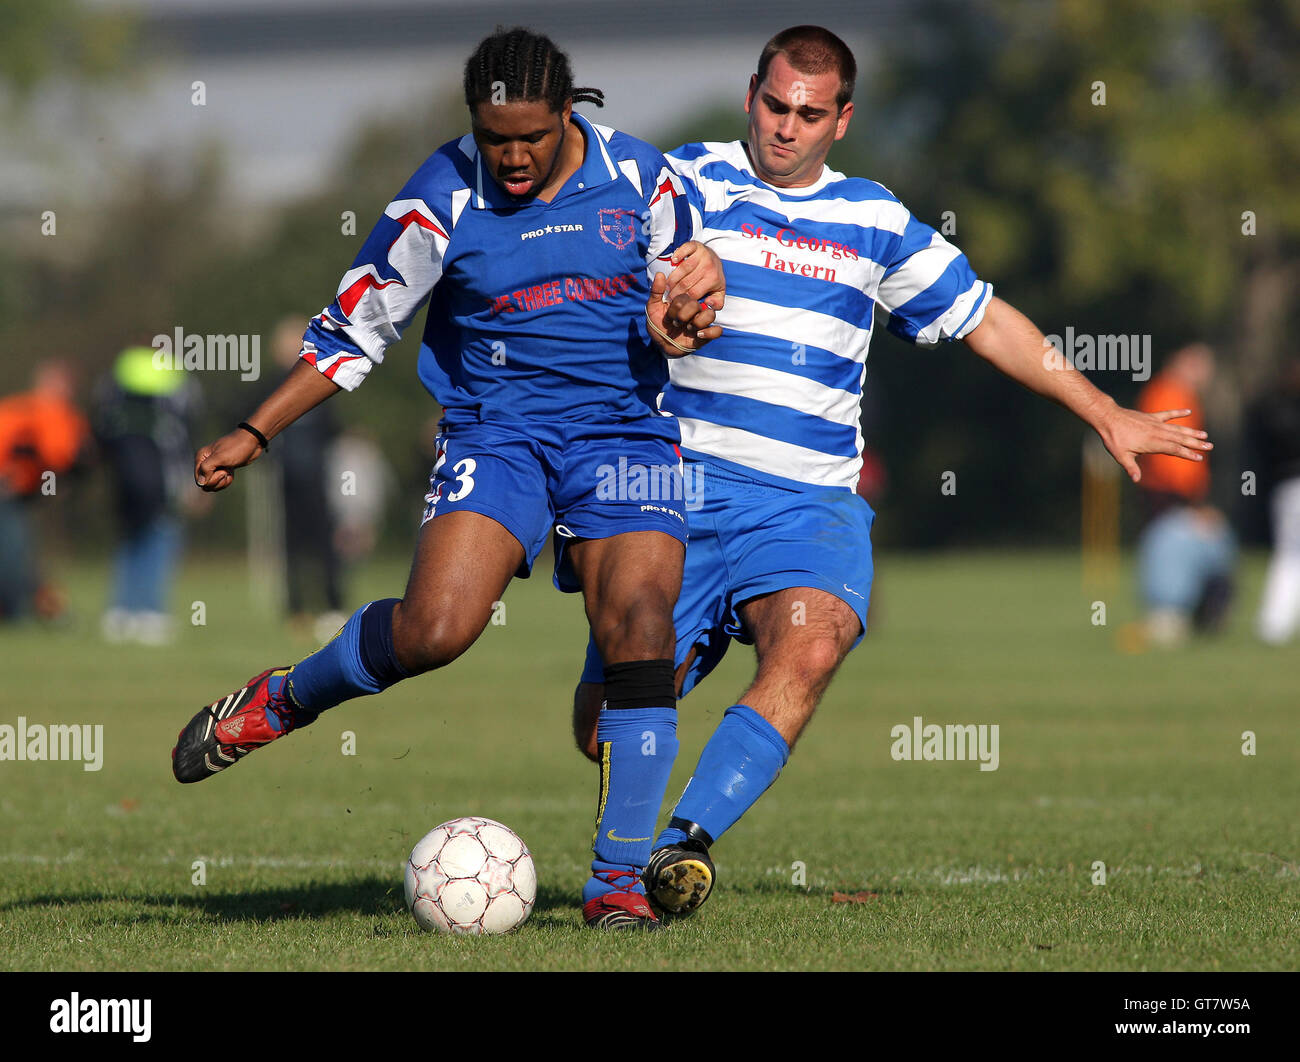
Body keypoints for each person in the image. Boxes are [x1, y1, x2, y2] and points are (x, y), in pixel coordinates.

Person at [572, 25, 1214, 919]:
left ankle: (681, 847)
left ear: (842, 120)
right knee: (600, 725)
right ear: (751, 95)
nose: (786, 127)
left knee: (815, 641)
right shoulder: (682, 183)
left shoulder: (873, 220)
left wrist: (1104, 410)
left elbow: (988, 320)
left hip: (806, 502)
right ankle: (660, 719)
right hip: (675, 491)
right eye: (774, 105)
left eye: (809, 115)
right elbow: (591, 285)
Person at [168, 27, 725, 932]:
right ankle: (284, 698)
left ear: (568, 112)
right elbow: (354, 330)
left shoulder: (642, 177)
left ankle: (618, 886)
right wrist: (253, 431)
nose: (513, 155)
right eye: (493, 136)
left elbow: (695, 289)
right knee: (434, 632)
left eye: (532, 136)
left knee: (642, 625)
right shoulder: (439, 197)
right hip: (497, 435)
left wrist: (689, 317)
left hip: (624, 436)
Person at [94, 346, 202, 645]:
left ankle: (121, 611)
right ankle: (150, 611)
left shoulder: (116, 404)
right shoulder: (169, 414)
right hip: (160, 488)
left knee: (130, 543)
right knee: (160, 540)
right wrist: (193, 485)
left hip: (124, 485)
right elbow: (178, 450)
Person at [1133, 343, 1235, 646]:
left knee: (1211, 546)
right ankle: (1173, 616)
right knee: (1184, 546)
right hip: (1170, 497)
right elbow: (1173, 462)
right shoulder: (1169, 395)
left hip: (1174, 497)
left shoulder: (1180, 395)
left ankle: (1199, 615)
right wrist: (1194, 504)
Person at [0, 360, 89, 621]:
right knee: (14, 552)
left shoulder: (58, 414)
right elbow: (58, 456)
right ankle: (18, 611)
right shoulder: (33, 411)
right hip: (10, 492)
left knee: (18, 550)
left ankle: (28, 607)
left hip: (23, 494)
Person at [1247, 357, 1300, 644]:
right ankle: (1274, 624)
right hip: (1291, 486)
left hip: (1286, 488)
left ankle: (1274, 624)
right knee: (1290, 555)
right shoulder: (1280, 411)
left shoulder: (1272, 409)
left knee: (1289, 556)